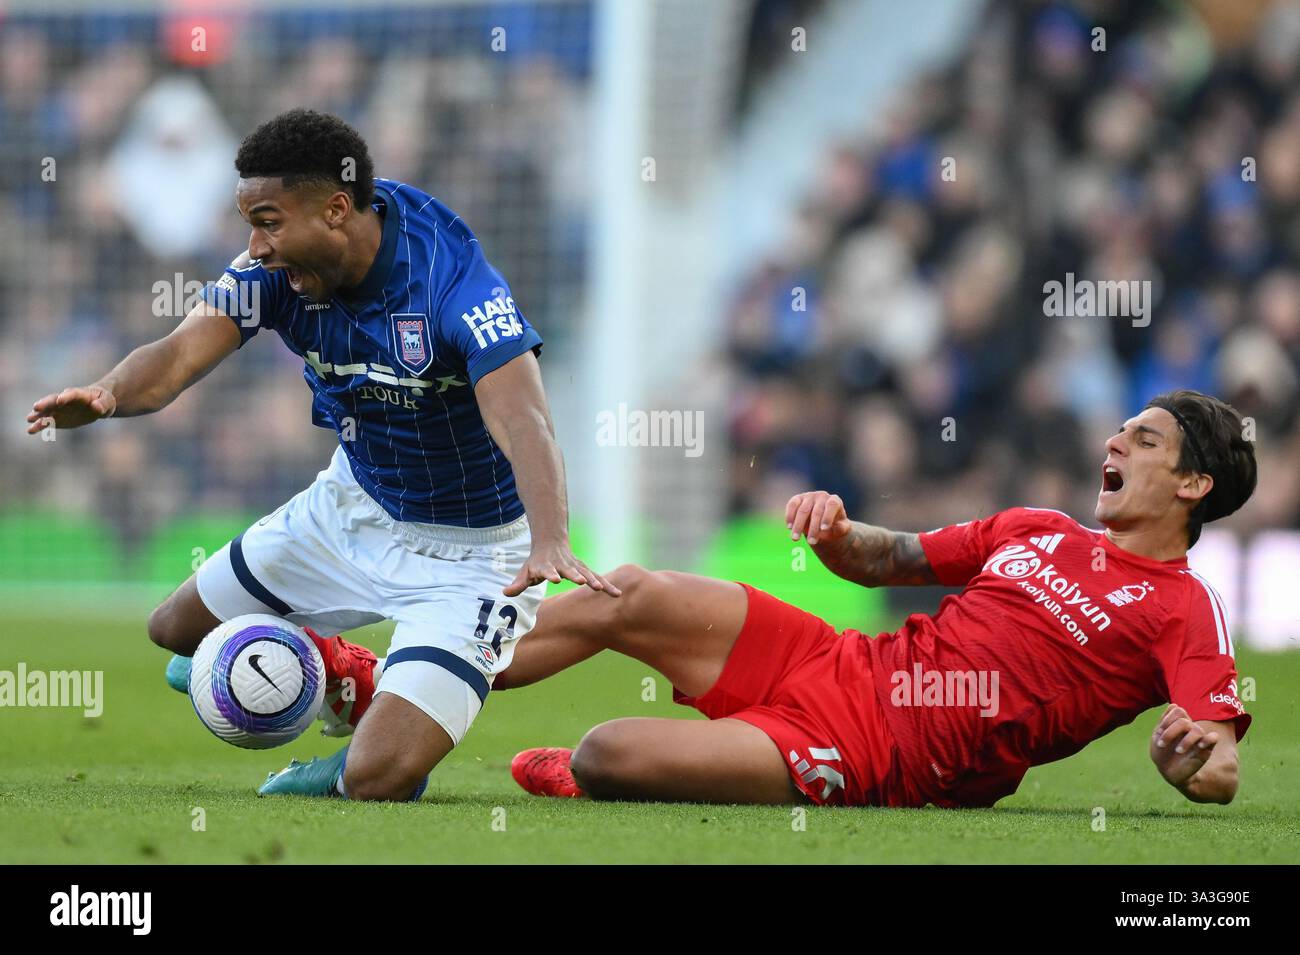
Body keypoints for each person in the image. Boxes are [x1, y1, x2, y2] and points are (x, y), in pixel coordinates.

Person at [26, 108, 616, 802]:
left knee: (380, 779)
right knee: (177, 634)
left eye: (268, 221)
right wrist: (106, 392)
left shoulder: (455, 285)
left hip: (474, 557)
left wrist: (548, 539)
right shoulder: (274, 272)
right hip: (354, 509)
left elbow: (524, 420)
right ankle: (337, 669)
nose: (255, 244)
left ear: (336, 209)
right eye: (250, 222)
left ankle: (354, 746)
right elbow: (179, 354)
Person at [501, 389, 1257, 808]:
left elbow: (1217, 763)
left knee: (607, 753)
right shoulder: (1039, 527)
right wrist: (835, 530)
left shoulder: (1185, 605)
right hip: (840, 661)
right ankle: (423, 677)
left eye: (1145, 440)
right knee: (628, 589)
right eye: (1120, 430)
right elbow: (893, 557)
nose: (1115, 444)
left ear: (1194, 486)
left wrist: (1182, 764)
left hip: (881, 756)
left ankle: (581, 773)